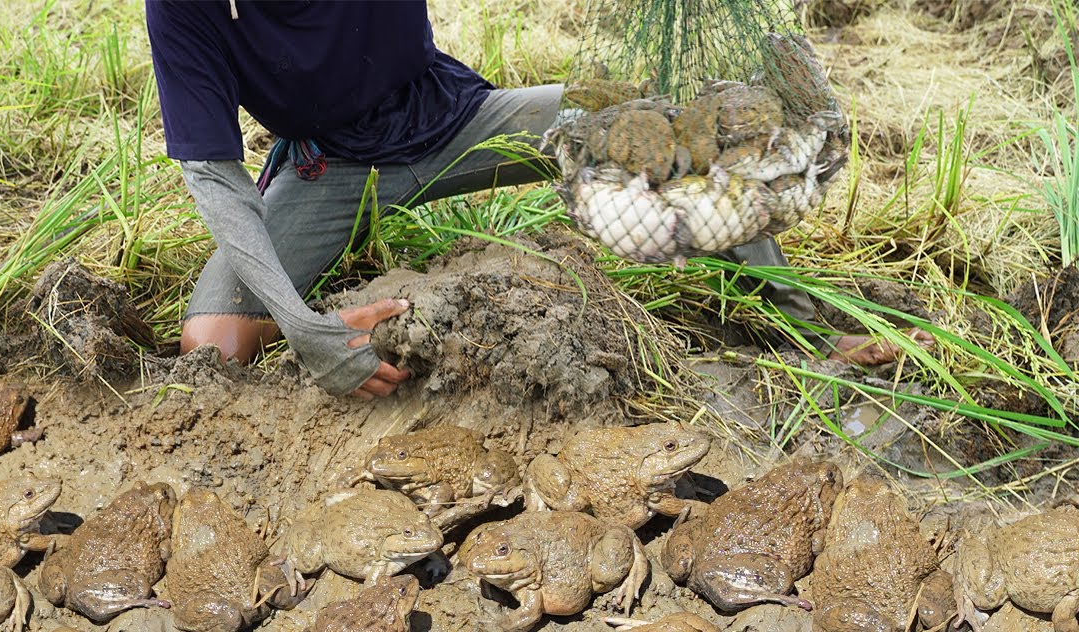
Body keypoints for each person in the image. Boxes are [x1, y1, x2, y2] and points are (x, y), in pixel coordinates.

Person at [144, 1, 931, 399]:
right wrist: (306, 330)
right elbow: (214, 175)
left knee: (664, 127)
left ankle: (805, 325)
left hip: (455, 120)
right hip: (331, 166)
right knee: (213, 344)